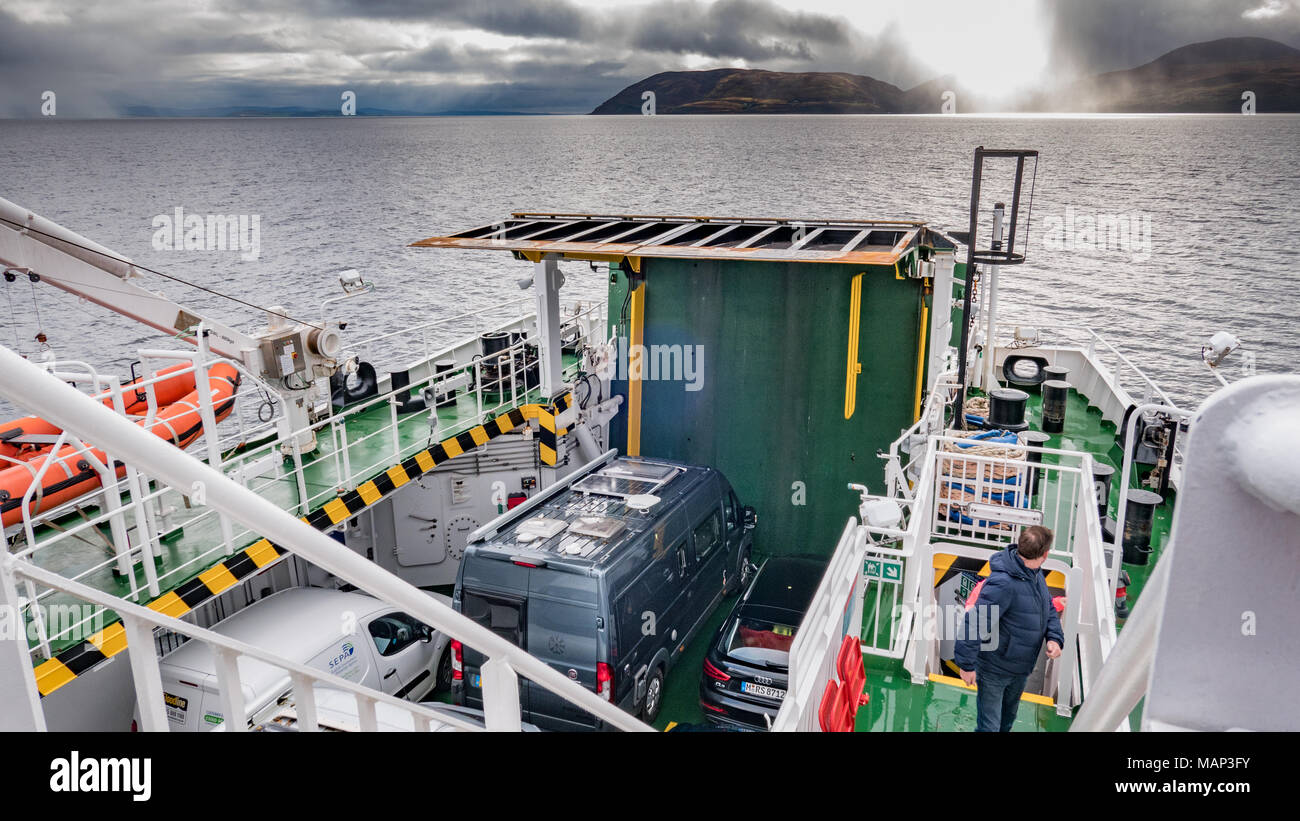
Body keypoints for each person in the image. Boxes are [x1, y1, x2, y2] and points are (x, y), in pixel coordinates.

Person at [955, 525, 1064, 732]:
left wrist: (1054, 638)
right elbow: (974, 623)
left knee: (1006, 722)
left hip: (1020, 669)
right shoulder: (1003, 583)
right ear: (1045, 554)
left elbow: (1047, 607)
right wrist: (966, 665)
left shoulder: (1035, 574)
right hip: (994, 669)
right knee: (990, 727)